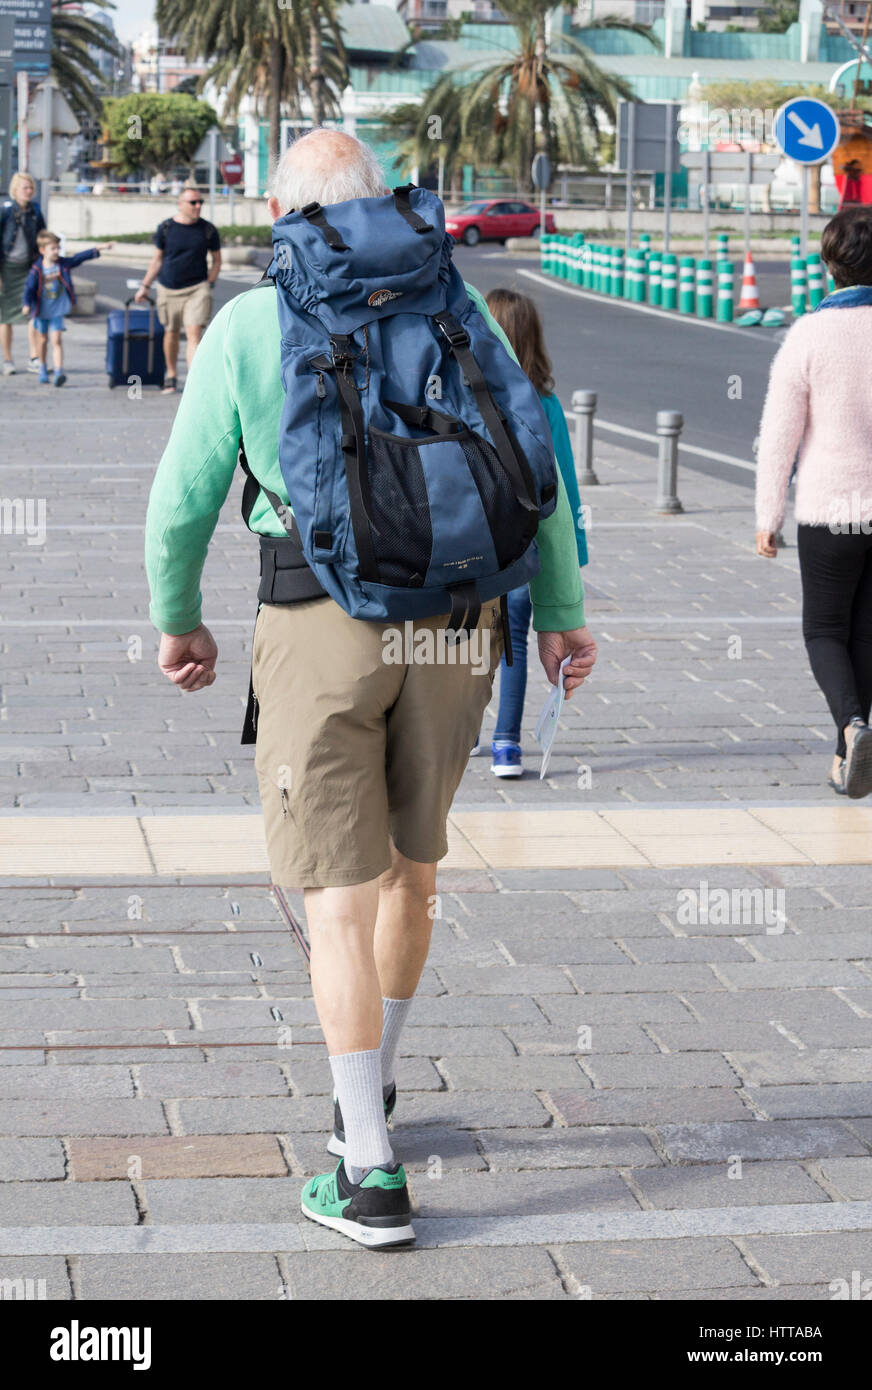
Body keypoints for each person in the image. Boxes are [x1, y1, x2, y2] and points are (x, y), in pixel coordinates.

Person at [145, 129, 596, 1248]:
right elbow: (527, 456)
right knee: (410, 872)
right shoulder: (462, 305)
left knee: (333, 894)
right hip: (458, 628)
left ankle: (368, 1173)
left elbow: (181, 499)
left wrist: (179, 623)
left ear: (284, 210)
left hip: (321, 623)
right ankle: (372, 1094)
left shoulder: (253, 320)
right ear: (381, 204)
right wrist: (564, 614)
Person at [756, 204, 872, 799]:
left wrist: (767, 517)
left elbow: (780, 435)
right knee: (867, 631)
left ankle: (852, 729)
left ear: (830, 265)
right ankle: (843, 755)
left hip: (831, 510)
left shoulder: (808, 334)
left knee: (824, 629)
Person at [470, 288, 589, 777]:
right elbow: (563, 486)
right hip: (527, 550)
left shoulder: (467, 396)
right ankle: (506, 747)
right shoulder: (545, 403)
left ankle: (463, 732)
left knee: (468, 641)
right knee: (516, 642)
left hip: (476, 549)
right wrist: (573, 554)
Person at [135, 184, 221, 394]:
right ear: (181, 204)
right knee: (171, 333)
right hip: (168, 288)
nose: (198, 206)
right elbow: (157, 260)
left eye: (200, 202)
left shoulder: (208, 229)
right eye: (193, 202)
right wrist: (145, 286)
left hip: (197, 288)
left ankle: (193, 380)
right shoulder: (166, 228)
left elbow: (217, 260)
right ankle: (171, 375)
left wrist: (209, 283)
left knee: (194, 334)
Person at [21, 231, 114, 386]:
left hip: (57, 310)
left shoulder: (63, 264)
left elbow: (79, 258)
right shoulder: (36, 270)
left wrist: (99, 248)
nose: (57, 252)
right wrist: (26, 304)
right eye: (53, 249)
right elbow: (29, 289)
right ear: (42, 250)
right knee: (43, 340)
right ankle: (43, 368)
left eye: (58, 248)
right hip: (41, 311)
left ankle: (58, 372)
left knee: (57, 339)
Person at [0, 172, 46, 375]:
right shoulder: (5, 211)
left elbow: (43, 238)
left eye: (31, 188)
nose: (29, 192)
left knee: (33, 314)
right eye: (24, 188)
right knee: (6, 316)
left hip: (30, 268)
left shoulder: (35, 211)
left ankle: (34, 357)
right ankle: (8, 360)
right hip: (7, 268)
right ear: (15, 190)